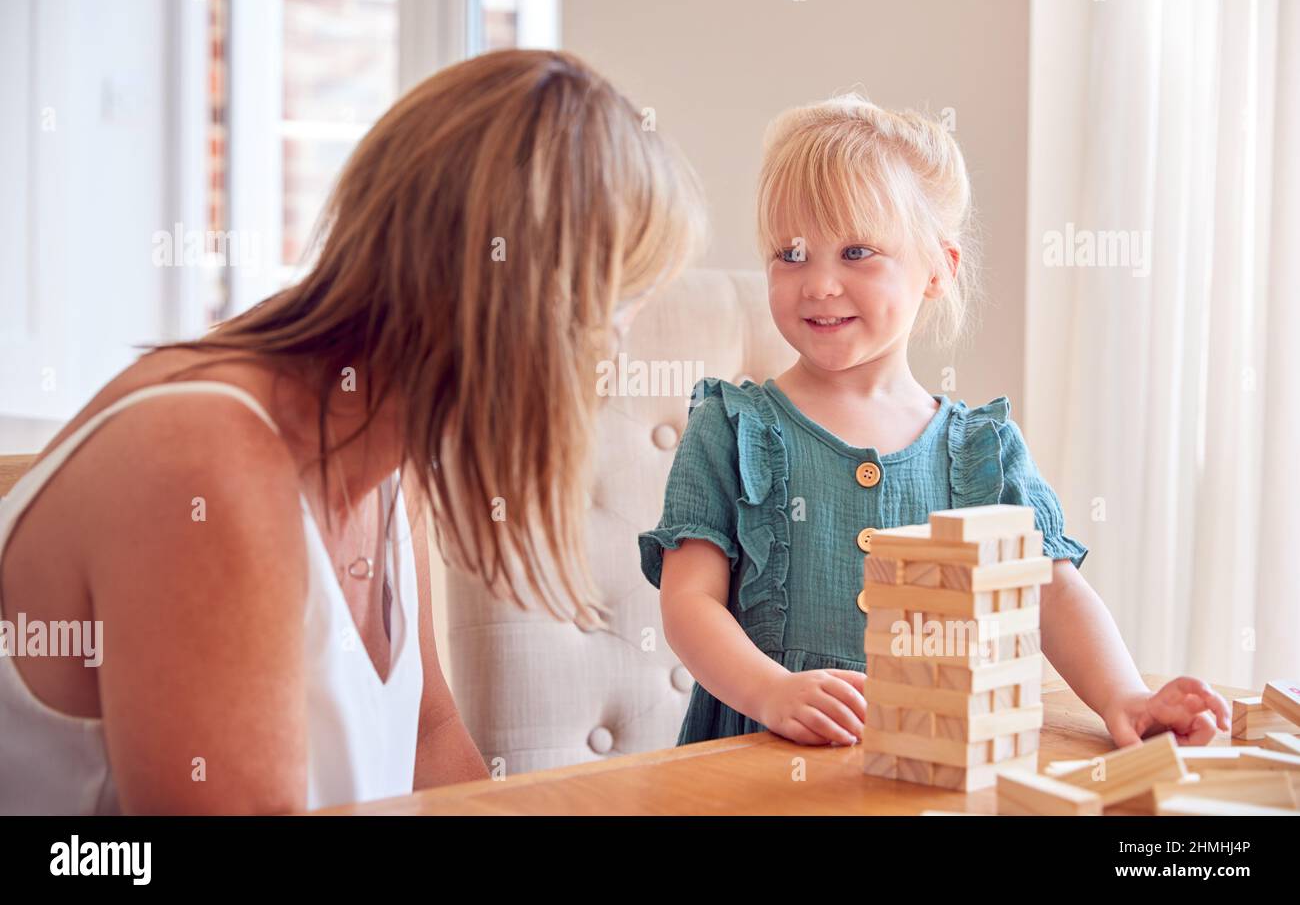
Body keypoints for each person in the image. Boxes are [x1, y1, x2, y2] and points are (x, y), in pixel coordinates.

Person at [0, 49, 704, 814]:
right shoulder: (209, 465)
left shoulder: (387, 448)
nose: (615, 350)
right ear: (521, 308)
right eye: (617, 304)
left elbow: (428, 742)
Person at [641, 93, 1229, 750]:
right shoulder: (731, 426)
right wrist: (771, 691)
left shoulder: (982, 449)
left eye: (858, 252)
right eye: (792, 253)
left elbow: (1052, 592)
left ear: (937, 271)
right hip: (759, 758)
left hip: (935, 762)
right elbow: (688, 604)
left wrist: (1125, 696)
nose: (819, 284)